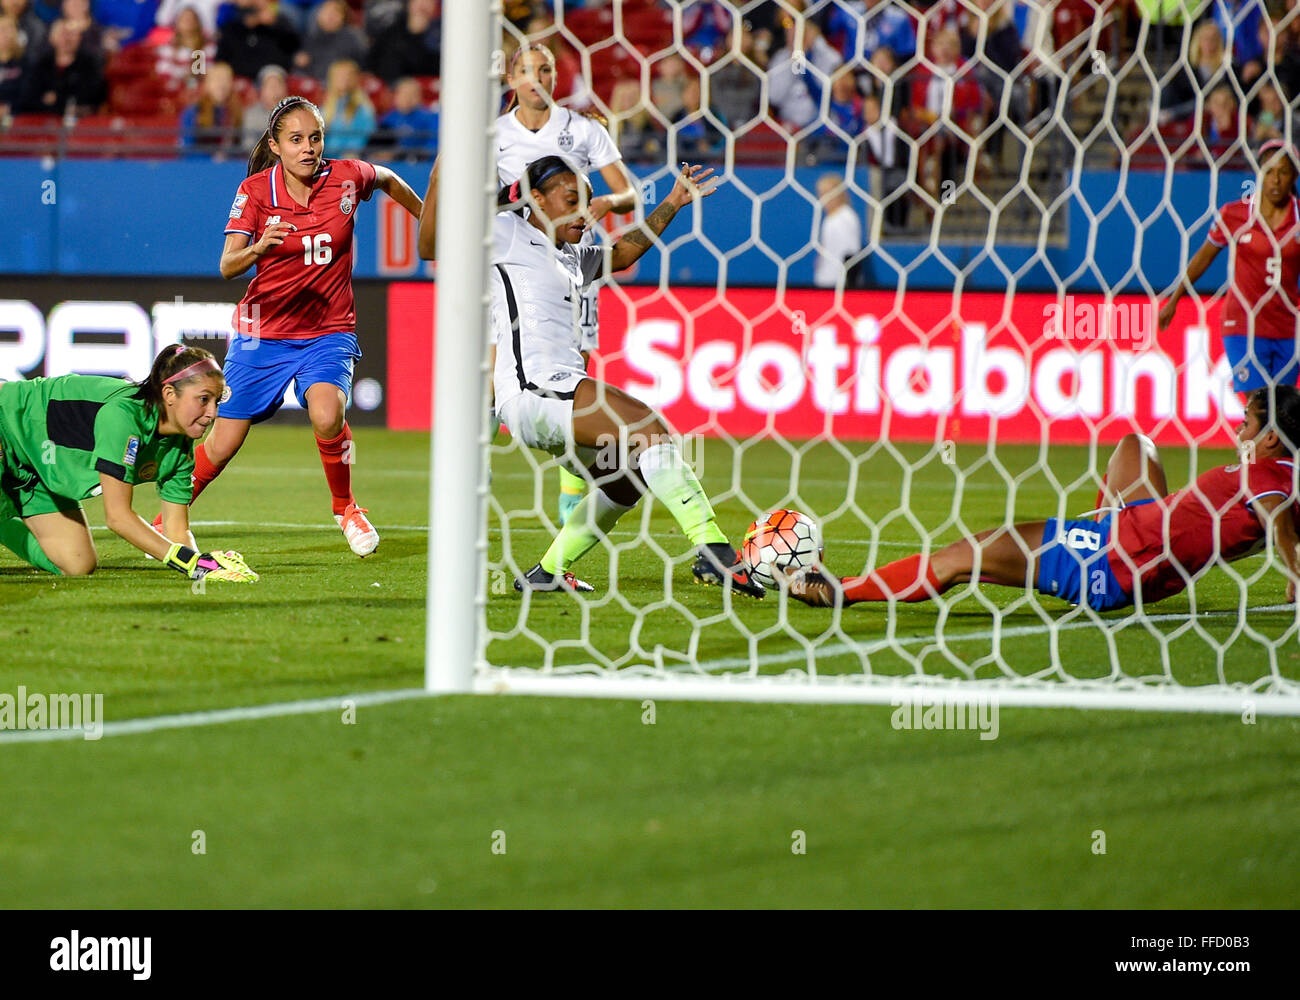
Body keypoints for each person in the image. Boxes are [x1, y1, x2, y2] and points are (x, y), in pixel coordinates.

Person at [418, 155, 766, 598]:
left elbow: (622, 253)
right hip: (536, 391)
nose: (584, 213)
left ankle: (547, 573)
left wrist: (674, 202)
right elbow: (430, 247)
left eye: (587, 201)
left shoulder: (569, 256)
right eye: (571, 200)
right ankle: (714, 550)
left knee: (629, 477)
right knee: (647, 429)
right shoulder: (503, 235)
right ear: (536, 199)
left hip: (555, 397)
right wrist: (437, 176)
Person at [159, 94, 423, 558]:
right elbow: (227, 266)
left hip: (328, 329)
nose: (309, 148)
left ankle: (345, 507)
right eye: (296, 139)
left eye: (315, 138)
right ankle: (166, 522)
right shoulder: (257, 192)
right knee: (222, 444)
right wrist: (259, 248)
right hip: (263, 333)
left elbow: (386, 178)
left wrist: (429, 221)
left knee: (326, 413)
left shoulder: (345, 177)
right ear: (276, 146)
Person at [790, 388, 1300, 611]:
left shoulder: (1266, 473)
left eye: (1249, 423)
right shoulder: (1286, 471)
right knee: (1135, 444)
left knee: (961, 556)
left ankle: (842, 591)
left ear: (1272, 436)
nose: (1239, 430)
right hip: (1141, 527)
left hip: (1116, 560)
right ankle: (1104, 517)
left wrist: (1295, 574)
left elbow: (1278, 522)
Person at [487, 43, 639, 526]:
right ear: (512, 79)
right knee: (493, 371)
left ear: (556, 76)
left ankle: (571, 497)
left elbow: (630, 191)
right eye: (528, 69)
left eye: (546, 68)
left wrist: (608, 204)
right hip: (513, 263)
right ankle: (472, 484)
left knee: (573, 371)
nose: (538, 77)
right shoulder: (493, 136)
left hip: (570, 264)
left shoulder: (582, 129)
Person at [0, 344, 257, 583]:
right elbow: (118, 517)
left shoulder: (179, 448)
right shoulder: (123, 418)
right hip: (5, 425)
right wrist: (189, 562)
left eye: (216, 401)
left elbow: (177, 530)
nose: (212, 413)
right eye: (203, 399)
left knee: (77, 564)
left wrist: (202, 565)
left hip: (36, 466)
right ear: (169, 394)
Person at [1159, 141, 1300, 396]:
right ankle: (1249, 436)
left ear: (1294, 176)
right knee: (1257, 407)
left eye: (1283, 172)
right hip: (1243, 323)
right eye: (1268, 171)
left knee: (1282, 413)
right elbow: (1204, 256)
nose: (1275, 180)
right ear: (1259, 174)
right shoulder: (1235, 214)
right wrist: (1175, 298)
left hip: (1289, 327)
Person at [294, 0, 367, 82]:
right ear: (318, 15)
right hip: (315, 85)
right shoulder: (311, 37)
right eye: (327, 12)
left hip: (342, 85)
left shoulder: (352, 38)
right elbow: (300, 66)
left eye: (336, 13)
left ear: (343, 18)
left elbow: (363, 67)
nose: (330, 17)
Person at [813, 174, 863, 288]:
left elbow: (851, 253)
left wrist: (850, 285)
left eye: (828, 193)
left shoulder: (846, 217)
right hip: (825, 280)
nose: (824, 198)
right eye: (821, 194)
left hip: (839, 283)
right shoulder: (829, 218)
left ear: (839, 194)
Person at [320, 58, 374, 158]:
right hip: (325, 158)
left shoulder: (363, 106)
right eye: (339, 76)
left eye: (347, 75)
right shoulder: (326, 106)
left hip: (351, 159)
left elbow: (364, 135)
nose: (344, 79)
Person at [240, 63, 288, 152]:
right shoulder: (251, 114)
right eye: (270, 86)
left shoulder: (295, 112)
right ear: (261, 90)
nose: (275, 91)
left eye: (278, 85)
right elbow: (248, 147)